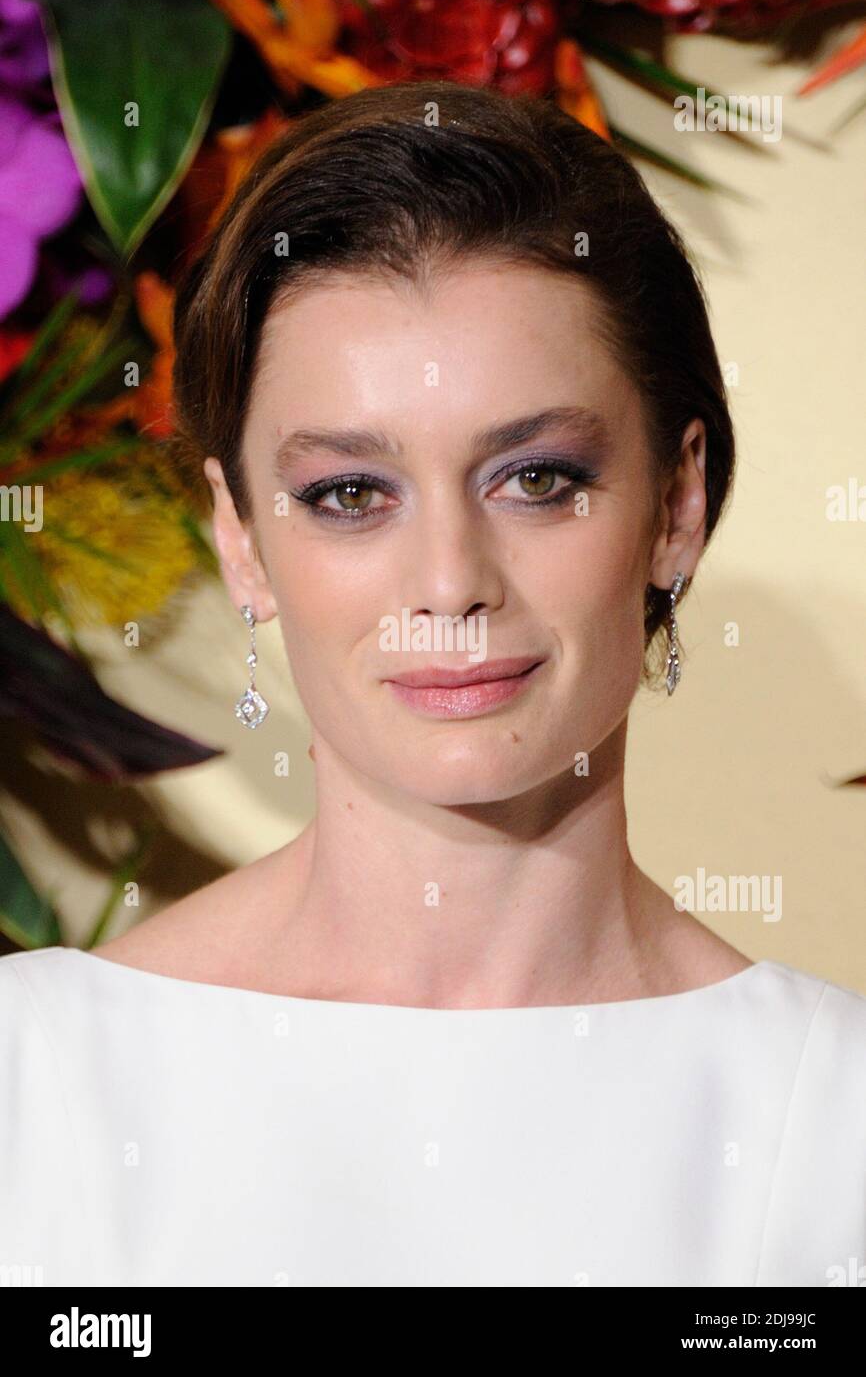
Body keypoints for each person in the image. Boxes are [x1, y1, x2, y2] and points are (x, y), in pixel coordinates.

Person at [1, 80, 864, 1288]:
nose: (449, 582)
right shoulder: (34, 1083)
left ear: (676, 505)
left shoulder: (835, 1122)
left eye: (537, 477)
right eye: (350, 494)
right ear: (241, 536)